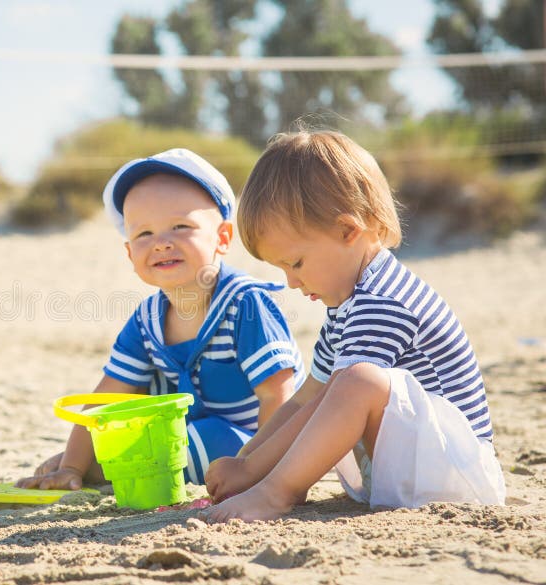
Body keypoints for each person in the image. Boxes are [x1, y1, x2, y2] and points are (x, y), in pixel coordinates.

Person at [201, 130, 506, 523]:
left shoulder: (383, 300)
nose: (291, 282)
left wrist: (266, 480)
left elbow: (341, 398)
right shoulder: (347, 305)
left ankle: (277, 495)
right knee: (339, 385)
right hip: (416, 466)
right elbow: (302, 399)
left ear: (348, 231)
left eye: (295, 263)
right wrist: (247, 463)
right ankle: (271, 486)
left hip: (456, 474)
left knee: (358, 381)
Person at [17, 148, 306, 490]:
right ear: (129, 252)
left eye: (180, 227)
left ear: (222, 238)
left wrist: (263, 472)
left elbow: (279, 397)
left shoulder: (244, 304)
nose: (161, 244)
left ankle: (106, 470)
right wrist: (71, 465)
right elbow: (107, 399)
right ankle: (96, 469)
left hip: (255, 443)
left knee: (202, 437)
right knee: (123, 431)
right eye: (144, 234)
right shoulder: (146, 321)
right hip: (185, 436)